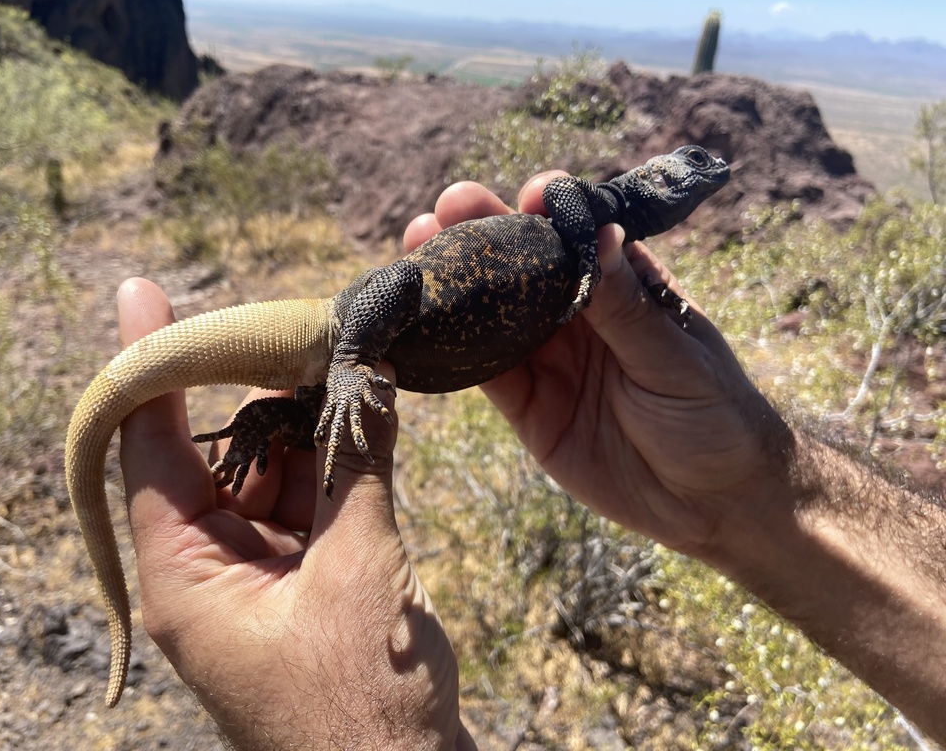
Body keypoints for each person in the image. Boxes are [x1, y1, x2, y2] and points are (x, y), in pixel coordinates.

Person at [116, 170, 946, 749]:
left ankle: (272, 417)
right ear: (649, 177)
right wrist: (345, 362)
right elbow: (571, 197)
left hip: (416, 353)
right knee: (377, 326)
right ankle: (314, 385)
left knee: (354, 382)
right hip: (370, 325)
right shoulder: (586, 214)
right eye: (687, 167)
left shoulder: (592, 279)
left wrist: (748, 492)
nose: (704, 176)